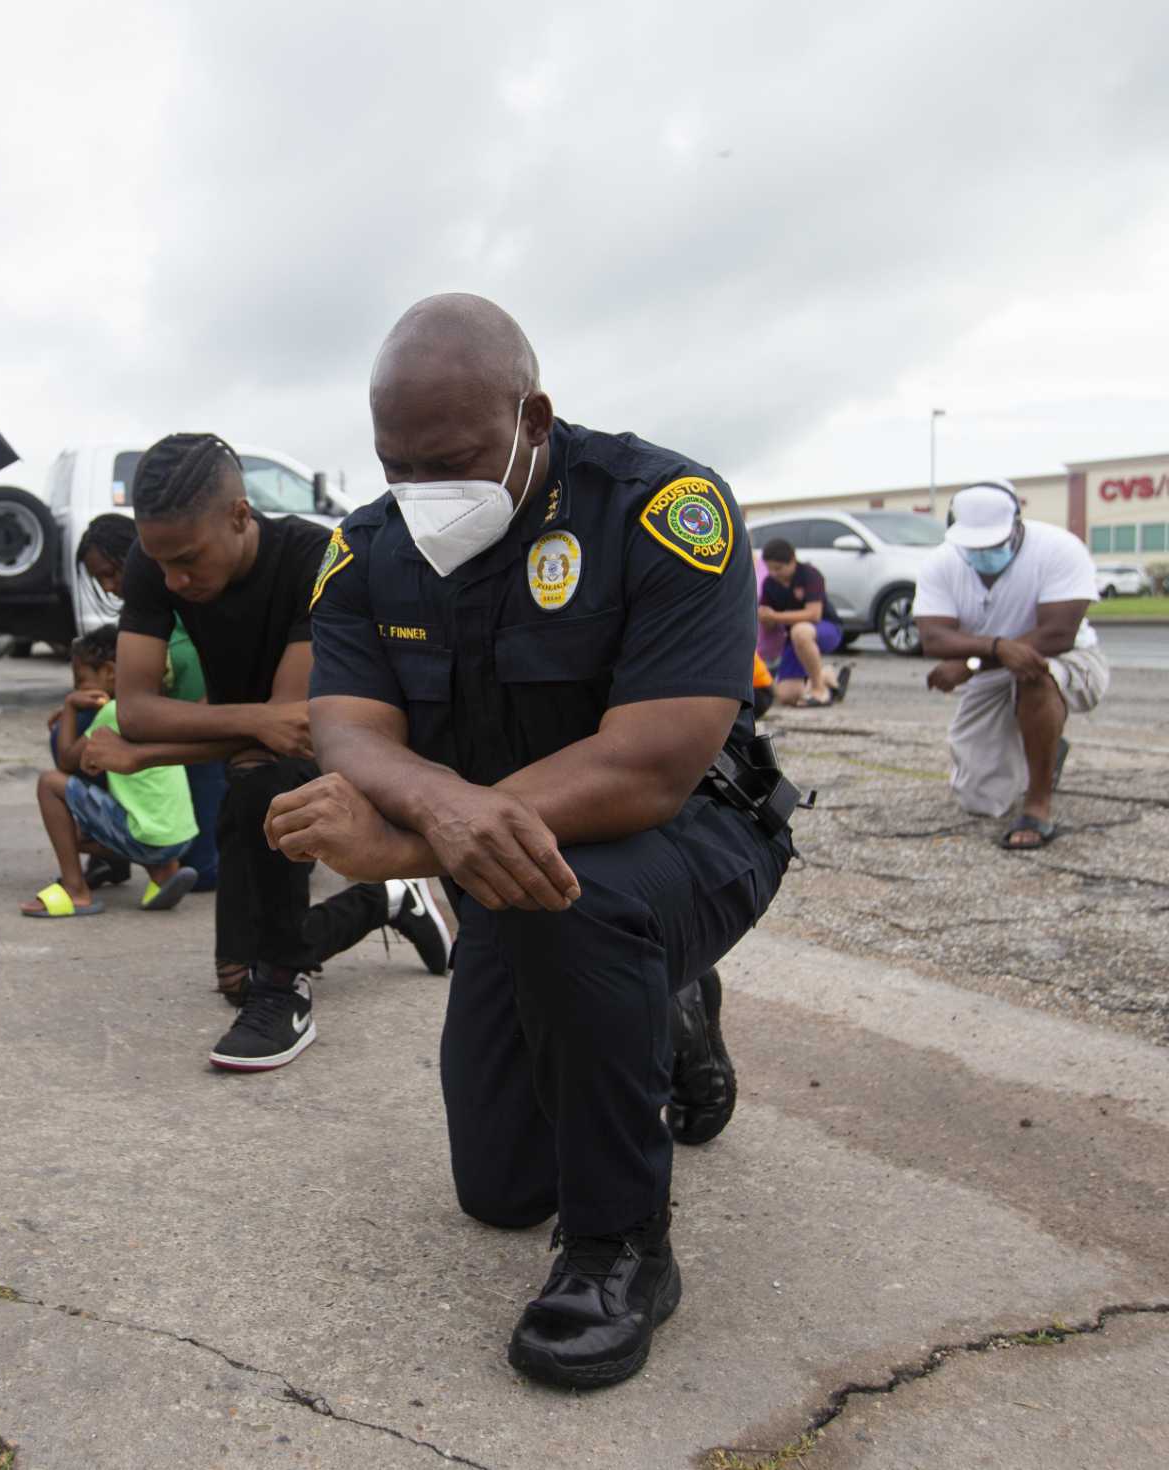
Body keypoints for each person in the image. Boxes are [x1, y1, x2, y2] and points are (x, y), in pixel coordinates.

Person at [264, 294, 795, 1389]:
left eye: (451, 458)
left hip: (692, 834)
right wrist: (428, 800)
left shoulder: (658, 507)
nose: (422, 490)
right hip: (507, 871)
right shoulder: (366, 550)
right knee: (497, 1190)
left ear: (533, 416)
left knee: (580, 903)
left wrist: (421, 836)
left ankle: (619, 1247)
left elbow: (651, 761)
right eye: (394, 463)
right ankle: (662, 1008)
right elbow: (346, 725)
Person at [111, 433, 454, 1073]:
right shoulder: (158, 557)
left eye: (187, 560)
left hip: (347, 743)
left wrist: (153, 752)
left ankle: (285, 991)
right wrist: (247, 722)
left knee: (265, 785)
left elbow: (299, 728)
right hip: (252, 752)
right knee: (231, 977)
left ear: (240, 515)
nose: (173, 581)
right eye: (160, 564)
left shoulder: (311, 555)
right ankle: (384, 901)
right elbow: (134, 709)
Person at [913, 480, 1108, 850]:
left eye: (993, 543)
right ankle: (1048, 744)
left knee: (1034, 674)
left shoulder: (1060, 549)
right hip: (991, 667)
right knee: (980, 800)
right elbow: (933, 637)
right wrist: (996, 649)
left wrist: (971, 663)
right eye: (974, 545)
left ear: (1018, 524)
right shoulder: (942, 561)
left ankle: (1038, 804)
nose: (983, 552)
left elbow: (1058, 635)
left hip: (1068, 661)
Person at [76, 513, 224, 892]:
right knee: (75, 727)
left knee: (203, 875)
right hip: (171, 738)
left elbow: (218, 695)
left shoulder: (191, 603)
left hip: (209, 740)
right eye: (100, 580)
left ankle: (126, 849)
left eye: (113, 573)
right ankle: (112, 849)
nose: (109, 588)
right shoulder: (136, 619)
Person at [23, 624, 200, 918]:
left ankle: (74, 890)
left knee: (49, 785)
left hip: (148, 838)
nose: (77, 689)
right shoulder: (156, 705)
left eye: (81, 681)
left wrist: (69, 707)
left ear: (109, 673)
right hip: (181, 838)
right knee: (87, 827)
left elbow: (66, 760)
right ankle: (162, 874)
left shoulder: (113, 712)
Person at [757, 537, 850, 707]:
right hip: (794, 639)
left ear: (792, 560)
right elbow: (768, 622)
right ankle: (828, 675)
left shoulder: (809, 574)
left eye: (779, 568)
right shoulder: (769, 584)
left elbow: (814, 614)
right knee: (786, 696)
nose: (774, 573)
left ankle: (819, 690)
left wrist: (775, 616)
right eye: (770, 569)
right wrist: (763, 617)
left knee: (801, 631)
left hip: (825, 629)